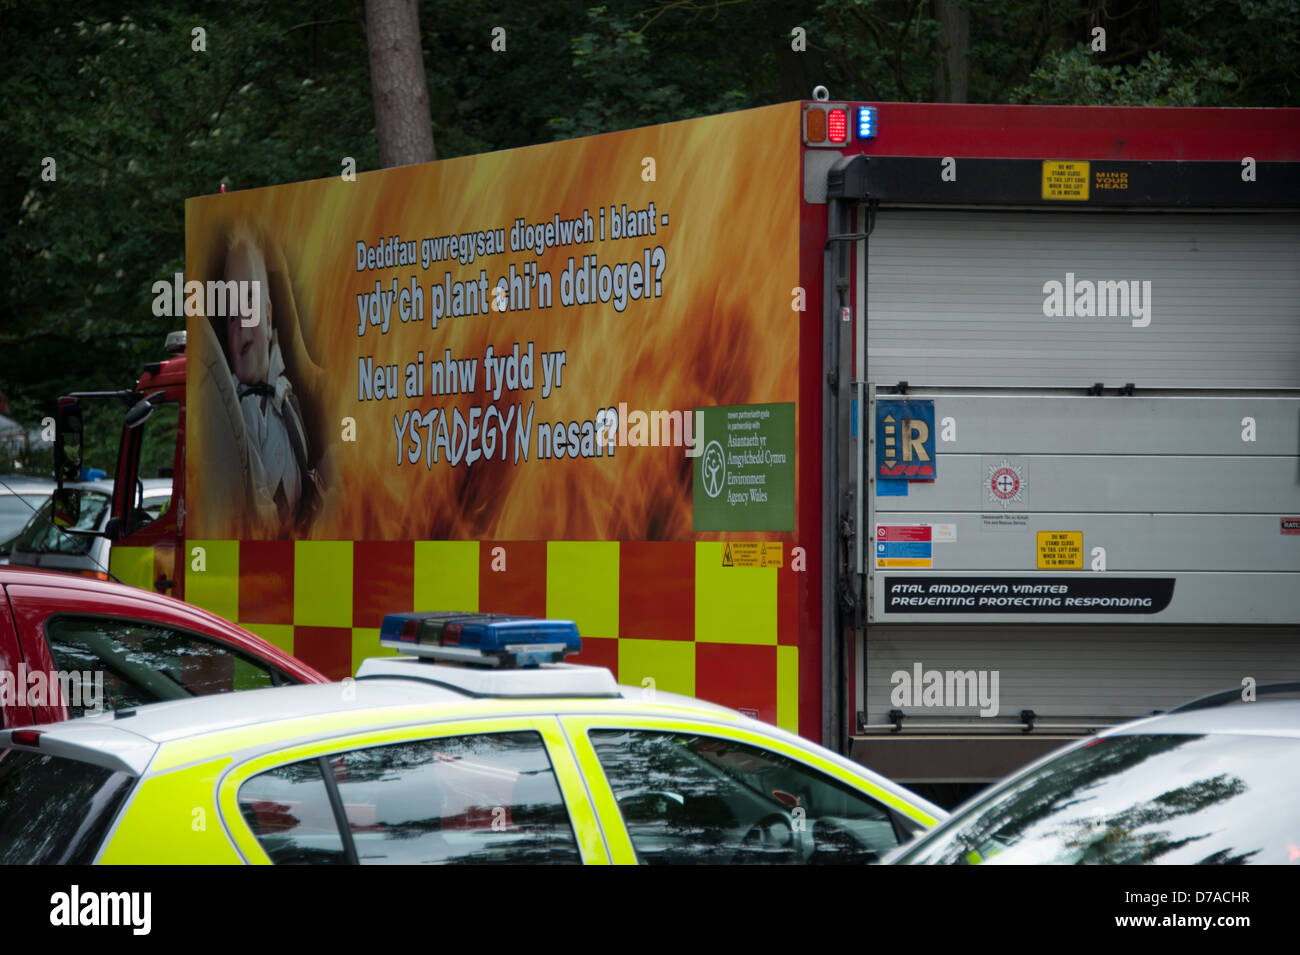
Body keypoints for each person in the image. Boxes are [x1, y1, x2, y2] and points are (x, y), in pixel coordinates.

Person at [216, 226, 326, 536]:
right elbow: (259, 508)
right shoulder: (243, 413)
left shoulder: (284, 395)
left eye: (248, 303)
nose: (239, 324)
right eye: (231, 315)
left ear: (268, 315)